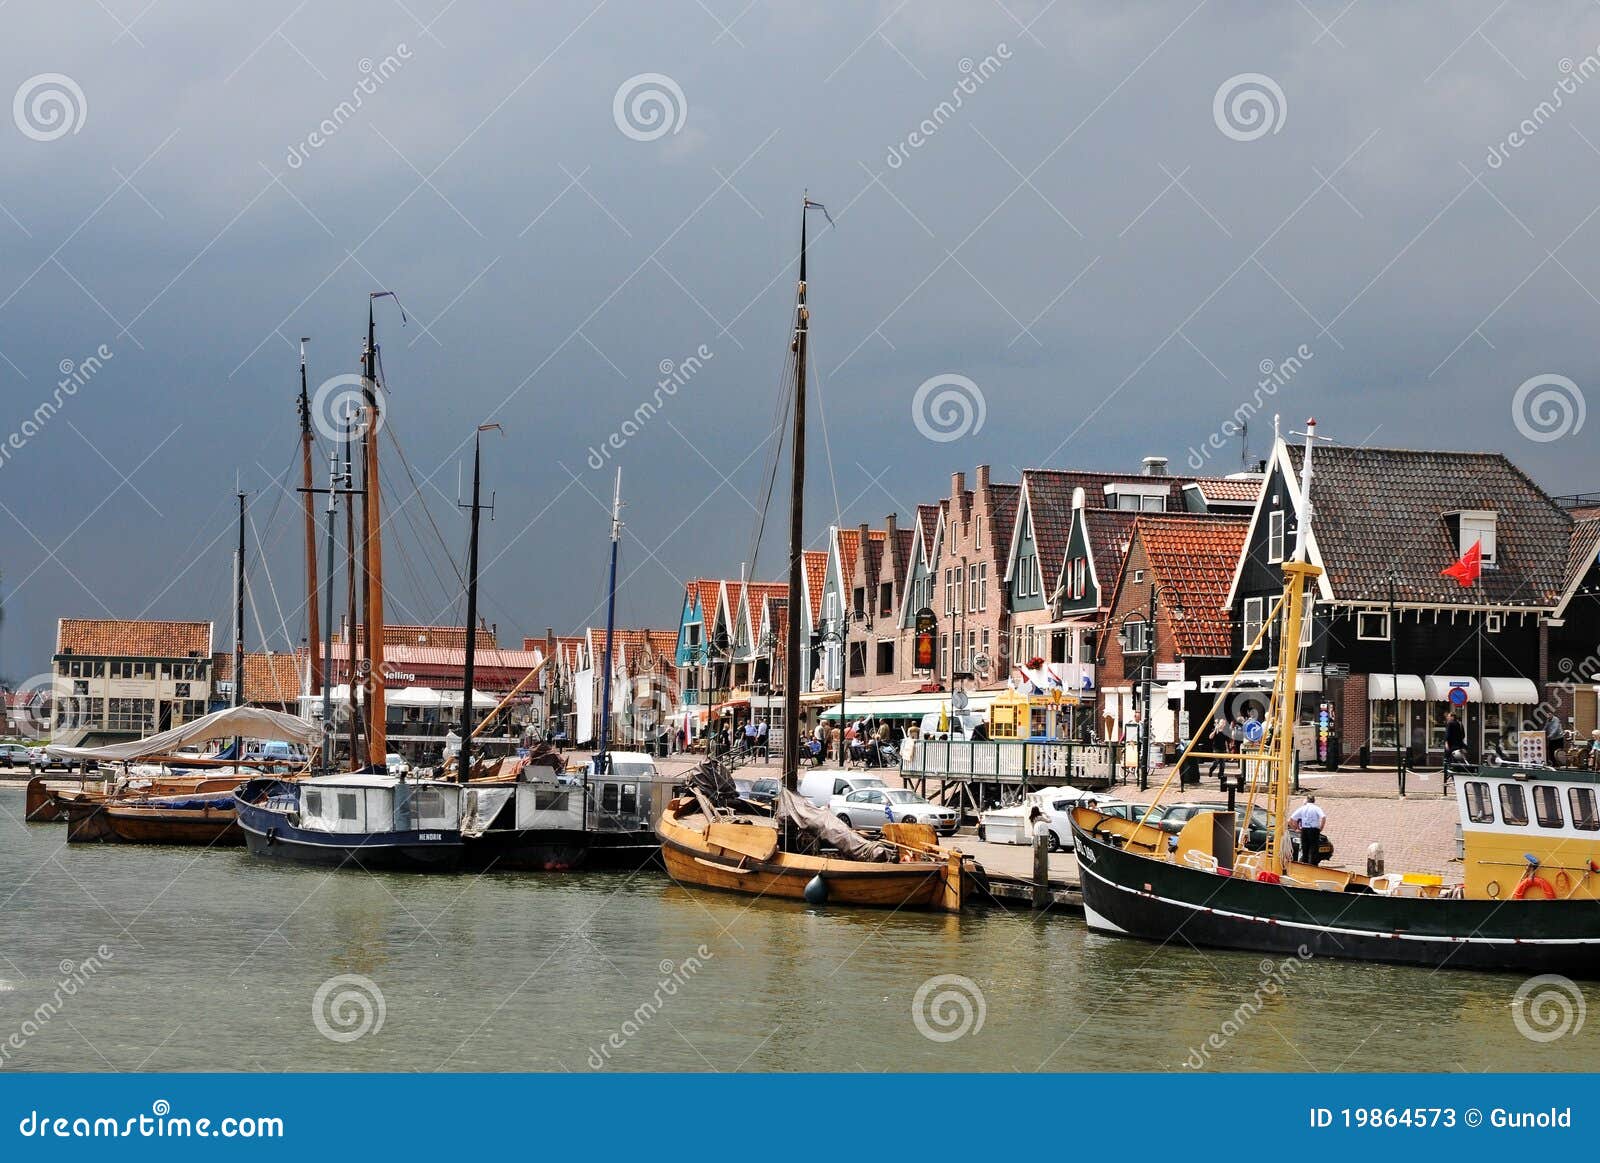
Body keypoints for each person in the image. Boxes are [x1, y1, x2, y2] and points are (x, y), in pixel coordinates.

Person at [1288, 795, 1326, 866]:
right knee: (1314, 848)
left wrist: (1295, 828)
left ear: (1307, 800)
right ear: (1314, 800)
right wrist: (1321, 827)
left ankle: (1304, 864)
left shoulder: (1302, 808)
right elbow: (1323, 817)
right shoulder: (1316, 808)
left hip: (1305, 830)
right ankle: (1313, 865)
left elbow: (1291, 819)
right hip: (1314, 830)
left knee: (1305, 848)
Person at [1207, 717, 1230, 783]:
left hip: (1223, 749)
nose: (1222, 724)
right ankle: (1211, 770)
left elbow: (1226, 741)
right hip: (1216, 748)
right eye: (1221, 722)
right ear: (1219, 723)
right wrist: (1215, 730)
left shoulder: (1225, 732)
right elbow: (1210, 737)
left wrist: (1227, 749)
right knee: (1216, 762)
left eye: (1224, 723)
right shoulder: (1215, 730)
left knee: (1223, 764)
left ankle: (1220, 775)